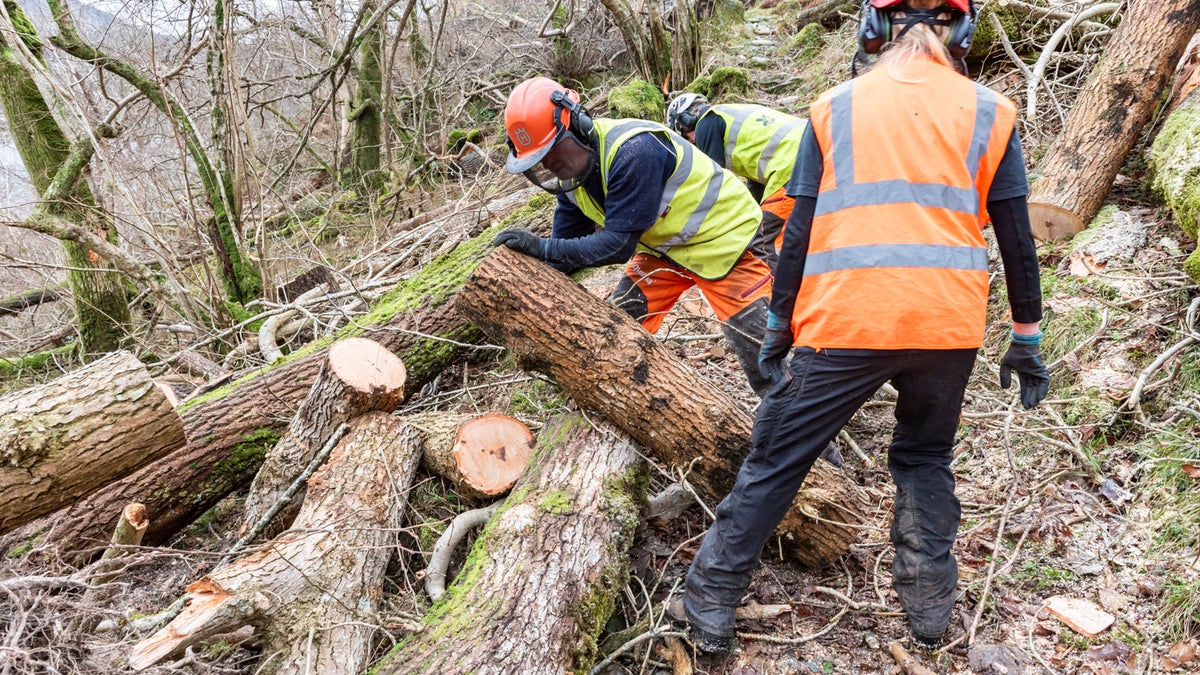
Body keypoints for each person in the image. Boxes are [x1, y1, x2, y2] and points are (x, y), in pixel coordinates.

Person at [670, 0, 1050, 655]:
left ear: (873, 27)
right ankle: (929, 612)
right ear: (962, 28)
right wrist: (1027, 336)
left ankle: (709, 597)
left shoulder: (833, 108)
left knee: (776, 459)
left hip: (845, 318)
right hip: (946, 324)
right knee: (925, 458)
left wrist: (779, 328)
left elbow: (797, 235)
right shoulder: (991, 112)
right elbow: (1018, 240)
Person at [493, 76, 777, 396]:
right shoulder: (572, 183)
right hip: (665, 251)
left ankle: (811, 437)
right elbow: (564, 251)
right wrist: (529, 279)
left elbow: (617, 245)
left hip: (727, 241)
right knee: (614, 334)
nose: (551, 164)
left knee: (765, 364)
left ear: (578, 123)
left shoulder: (633, 150)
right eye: (540, 159)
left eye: (552, 152)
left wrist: (541, 246)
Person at [665, 95, 807, 271]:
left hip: (793, 165)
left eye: (686, 136)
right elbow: (756, 184)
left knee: (764, 238)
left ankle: (774, 295)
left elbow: (712, 182)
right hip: (815, 150)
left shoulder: (707, 122)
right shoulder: (730, 116)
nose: (692, 142)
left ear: (688, 119)